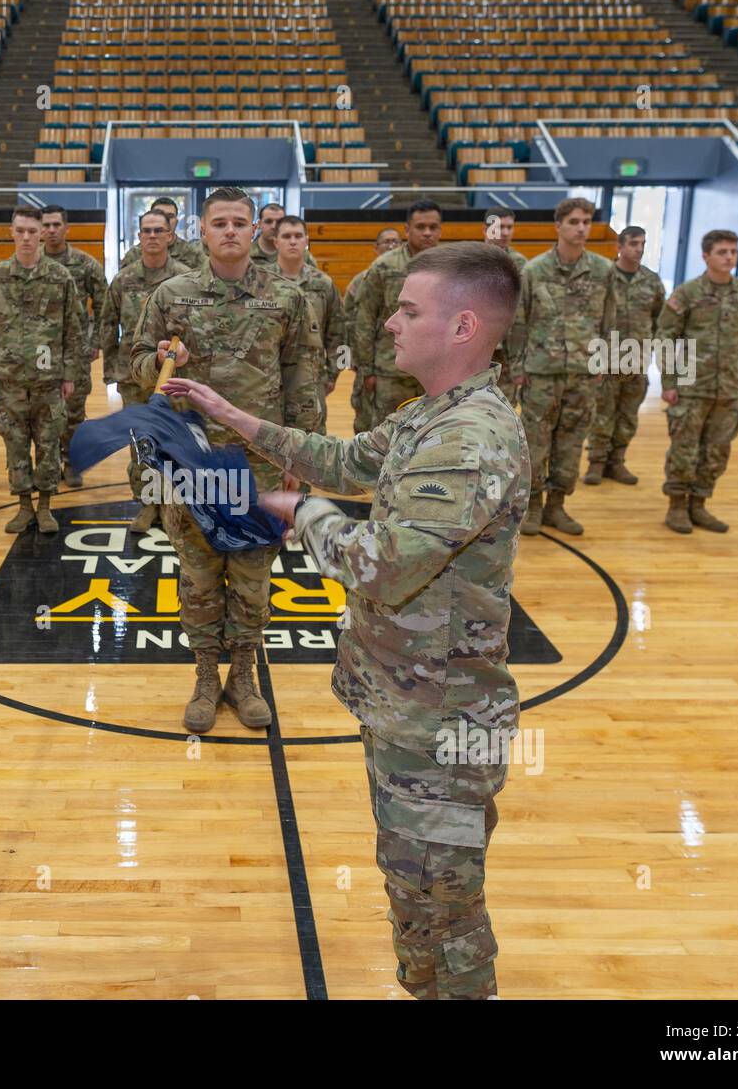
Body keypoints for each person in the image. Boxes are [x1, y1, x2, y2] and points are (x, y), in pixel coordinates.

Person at [163, 242, 529, 1000]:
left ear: (463, 326)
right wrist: (235, 416)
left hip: (442, 721)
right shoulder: (432, 414)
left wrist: (307, 513)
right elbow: (346, 458)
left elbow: (385, 564)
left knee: (445, 905)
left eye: (409, 310)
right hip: (408, 705)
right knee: (414, 889)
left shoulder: (468, 440)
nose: (390, 323)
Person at [131, 186, 323, 732]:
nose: (232, 231)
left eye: (241, 221)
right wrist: (163, 361)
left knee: (253, 579)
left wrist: (302, 457)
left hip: (259, 465)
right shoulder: (172, 295)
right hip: (190, 462)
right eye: (221, 223)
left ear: (255, 229)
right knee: (196, 576)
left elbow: (302, 381)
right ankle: (205, 675)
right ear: (203, 230)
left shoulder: (288, 298)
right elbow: (139, 360)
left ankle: (244, 674)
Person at [509, 197, 617, 537]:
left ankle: (558, 505)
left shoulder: (603, 271)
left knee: (572, 441)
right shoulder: (534, 270)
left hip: (583, 373)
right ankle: (534, 506)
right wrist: (517, 366)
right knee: (535, 440)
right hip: (541, 371)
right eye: (574, 221)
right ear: (558, 226)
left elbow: (609, 321)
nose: (581, 227)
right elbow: (518, 323)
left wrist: (604, 359)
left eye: (586, 221)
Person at [0, 204, 84, 535]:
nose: (26, 237)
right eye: (20, 231)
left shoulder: (60, 277)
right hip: (9, 381)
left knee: (49, 444)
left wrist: (69, 374)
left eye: (32, 231)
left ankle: (45, 506)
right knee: (16, 444)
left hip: (48, 383)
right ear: (12, 233)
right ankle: (24, 505)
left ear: (41, 234)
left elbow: (74, 329)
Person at [657, 229, 738, 534]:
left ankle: (699, 504)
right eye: (722, 252)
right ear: (706, 256)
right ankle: (676, 506)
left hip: (727, 388)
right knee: (684, 449)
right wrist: (670, 381)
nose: (729, 257)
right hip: (691, 386)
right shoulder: (687, 293)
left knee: (717, 450)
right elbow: (666, 338)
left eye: (733, 251)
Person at [95, 208, 191, 532]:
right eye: (146, 231)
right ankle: (148, 504)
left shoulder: (186, 279)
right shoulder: (123, 279)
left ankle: (175, 505)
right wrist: (111, 372)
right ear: (138, 237)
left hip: (175, 378)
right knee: (142, 446)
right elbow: (108, 325)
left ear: (170, 236)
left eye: (158, 230)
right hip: (134, 377)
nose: (152, 236)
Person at [583, 225, 665, 486]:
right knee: (602, 414)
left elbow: (661, 321)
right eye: (633, 244)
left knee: (628, 415)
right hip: (606, 361)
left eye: (642, 244)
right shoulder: (603, 278)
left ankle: (616, 462)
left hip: (637, 362)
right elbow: (591, 320)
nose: (639, 249)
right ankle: (596, 463)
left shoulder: (652, 281)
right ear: (619, 247)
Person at [350, 200, 443, 428]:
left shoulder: (452, 267)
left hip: (438, 371)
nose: (427, 233)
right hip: (390, 371)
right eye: (421, 227)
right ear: (407, 230)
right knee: (387, 439)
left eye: (433, 227)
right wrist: (366, 370)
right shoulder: (384, 267)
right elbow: (364, 318)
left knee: (433, 438)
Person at [40, 205, 108, 487]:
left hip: (75, 352)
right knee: (43, 411)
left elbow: (105, 303)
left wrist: (96, 341)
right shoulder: (32, 263)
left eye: (57, 224)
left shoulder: (85, 263)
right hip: (40, 353)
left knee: (74, 412)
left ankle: (72, 463)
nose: (52, 230)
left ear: (67, 228)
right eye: (47, 225)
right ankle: (48, 463)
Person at [270, 215, 344, 433]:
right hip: (267, 378)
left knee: (312, 441)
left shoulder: (324, 284)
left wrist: (333, 375)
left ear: (306, 240)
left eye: (298, 236)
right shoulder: (261, 282)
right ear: (276, 242)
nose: (292, 241)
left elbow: (340, 333)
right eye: (286, 236)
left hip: (312, 379)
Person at [344, 227, 402, 430]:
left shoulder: (407, 279)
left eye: (396, 242)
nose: (391, 245)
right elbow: (350, 322)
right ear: (375, 248)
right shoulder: (360, 282)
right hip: (367, 361)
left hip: (397, 363)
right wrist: (351, 360)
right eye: (387, 241)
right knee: (365, 419)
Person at [483, 209, 528, 404]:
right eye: (500, 227)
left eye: (510, 227)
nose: (505, 232)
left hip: (508, 354)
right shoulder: (469, 260)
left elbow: (525, 313)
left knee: (505, 408)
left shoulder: (521, 265)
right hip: (474, 349)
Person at [121, 197, 207, 269]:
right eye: (159, 215)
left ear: (176, 222)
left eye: (170, 216)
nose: (165, 220)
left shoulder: (193, 253)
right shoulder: (134, 254)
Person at [249, 201, 316, 267]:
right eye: (268, 221)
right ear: (259, 224)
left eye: (278, 222)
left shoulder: (301, 255)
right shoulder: (247, 253)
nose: (274, 226)